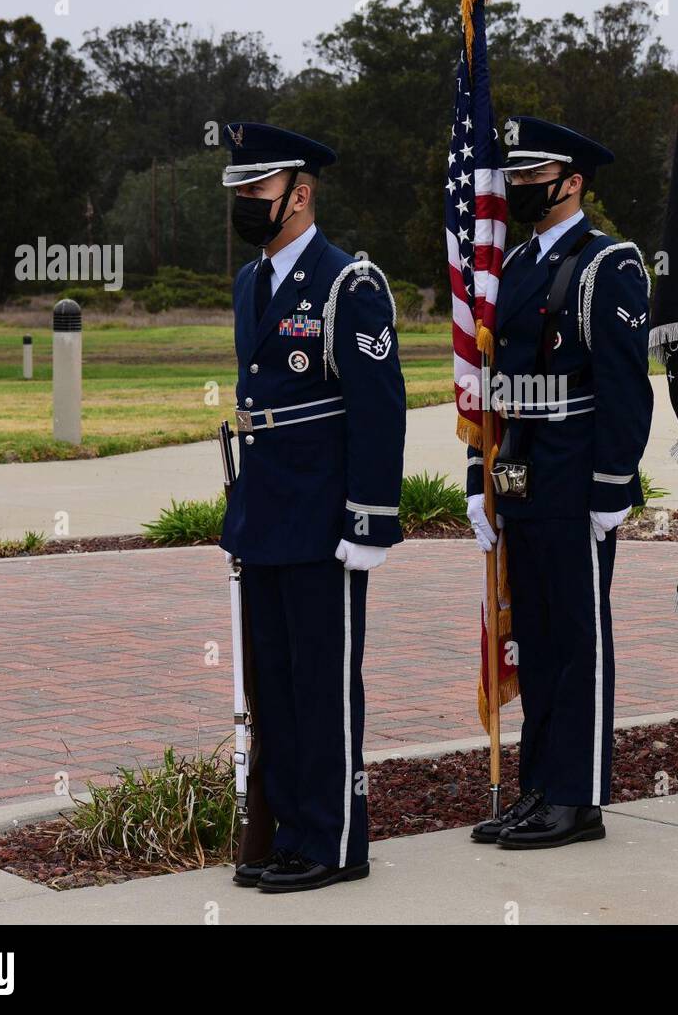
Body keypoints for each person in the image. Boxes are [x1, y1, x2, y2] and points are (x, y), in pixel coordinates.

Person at [219, 122, 405, 890]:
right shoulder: (250, 282)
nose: (244, 203)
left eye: (256, 190)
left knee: (323, 684)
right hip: (264, 509)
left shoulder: (347, 283)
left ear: (299, 192)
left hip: (325, 517)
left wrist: (369, 518)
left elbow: (379, 408)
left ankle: (331, 843)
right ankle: (285, 830)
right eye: (238, 191)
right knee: (276, 683)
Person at [466, 117, 653, 849]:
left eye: (533, 175)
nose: (519, 186)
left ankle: (578, 797)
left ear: (572, 182)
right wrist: (479, 481)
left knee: (578, 635)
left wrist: (612, 484)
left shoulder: (611, 265)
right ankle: (538, 786)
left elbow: (626, 388)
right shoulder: (514, 265)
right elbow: (491, 382)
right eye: (515, 175)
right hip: (520, 470)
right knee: (536, 638)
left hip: (577, 473)